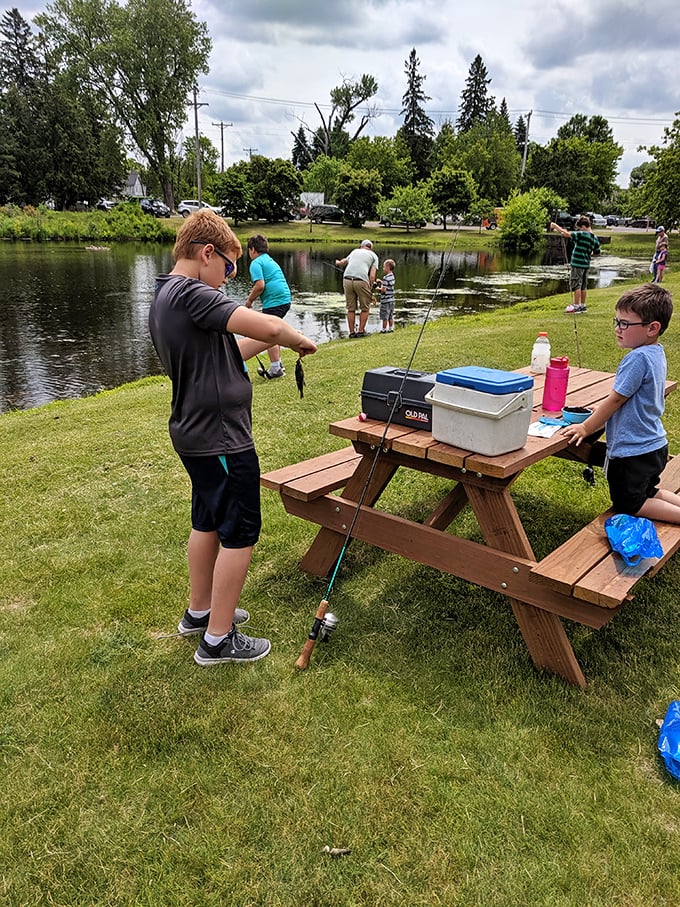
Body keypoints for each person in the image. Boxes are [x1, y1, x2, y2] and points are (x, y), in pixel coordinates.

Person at [148, 210, 317, 665]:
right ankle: (218, 639)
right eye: (228, 268)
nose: (228, 279)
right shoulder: (193, 293)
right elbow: (270, 326)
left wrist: (281, 340)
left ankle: (200, 612)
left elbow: (231, 351)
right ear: (207, 253)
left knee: (206, 521)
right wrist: (291, 336)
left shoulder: (165, 294)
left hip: (195, 432)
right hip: (221, 438)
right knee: (240, 532)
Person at [563, 283, 680, 522]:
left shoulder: (637, 358)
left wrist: (586, 427)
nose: (618, 328)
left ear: (652, 328)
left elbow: (616, 398)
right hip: (654, 445)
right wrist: (602, 410)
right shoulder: (656, 352)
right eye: (616, 321)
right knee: (649, 492)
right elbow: (630, 398)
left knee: (629, 503)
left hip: (634, 450)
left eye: (625, 324)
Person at [245, 233, 291, 379]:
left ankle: (276, 368)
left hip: (275, 301)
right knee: (272, 330)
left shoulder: (256, 263)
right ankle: (278, 364)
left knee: (268, 332)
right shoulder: (269, 259)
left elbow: (260, 285)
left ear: (252, 249)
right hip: (284, 299)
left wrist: (249, 301)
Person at [549, 215, 600, 314]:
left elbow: (567, 234)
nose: (579, 230)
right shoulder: (594, 238)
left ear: (583, 226)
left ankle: (576, 306)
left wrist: (555, 226)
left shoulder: (581, 234)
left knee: (576, 285)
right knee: (583, 286)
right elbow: (597, 252)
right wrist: (588, 254)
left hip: (577, 264)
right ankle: (582, 306)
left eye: (580, 228)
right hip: (586, 264)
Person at [335, 238, 379, 337]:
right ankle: (360, 332)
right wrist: (370, 289)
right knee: (365, 308)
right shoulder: (374, 256)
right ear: (371, 248)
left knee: (351, 309)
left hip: (347, 279)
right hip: (361, 280)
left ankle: (351, 333)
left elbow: (344, 261)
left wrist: (338, 262)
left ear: (361, 246)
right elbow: (372, 276)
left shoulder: (355, 251)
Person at [376, 258, 396, 332]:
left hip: (385, 301)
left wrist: (378, 289)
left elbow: (384, 290)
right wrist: (381, 282)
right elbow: (388, 285)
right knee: (390, 315)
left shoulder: (385, 277)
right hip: (392, 300)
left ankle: (384, 329)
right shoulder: (392, 276)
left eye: (384, 267)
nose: (383, 268)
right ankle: (391, 328)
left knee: (385, 316)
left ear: (388, 267)